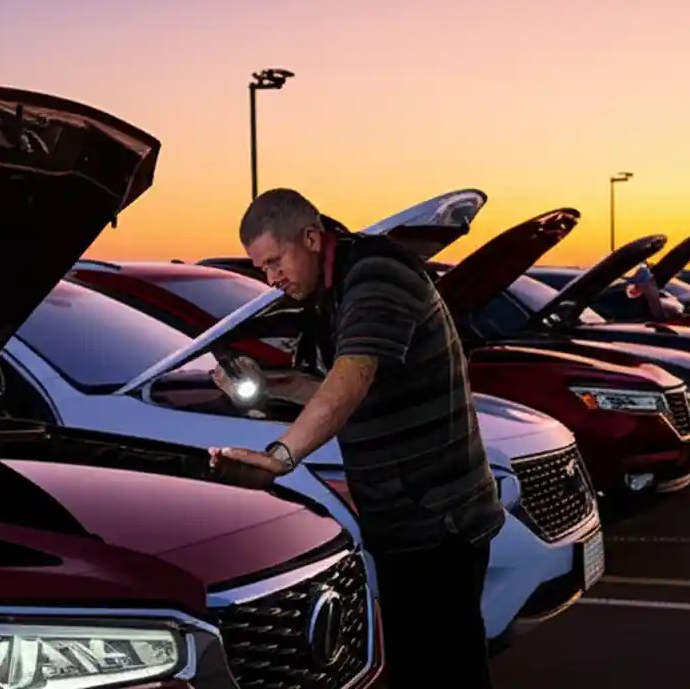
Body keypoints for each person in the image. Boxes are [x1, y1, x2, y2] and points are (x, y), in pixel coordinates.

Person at [208, 188, 504, 688]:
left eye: (275, 262)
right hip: (398, 523)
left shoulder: (375, 274)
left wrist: (280, 456)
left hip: (440, 521)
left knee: (449, 669)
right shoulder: (334, 291)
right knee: (413, 666)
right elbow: (336, 391)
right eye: (262, 269)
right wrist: (267, 385)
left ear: (309, 237)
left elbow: (355, 375)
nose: (271, 279)